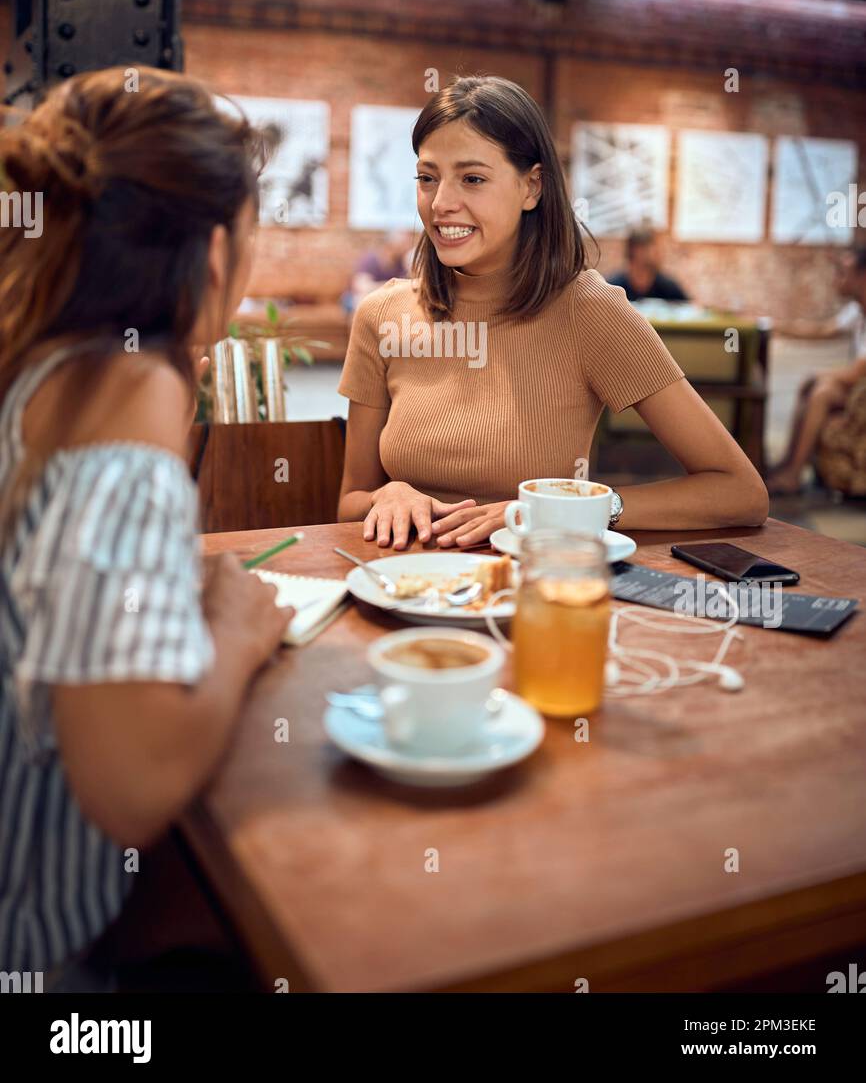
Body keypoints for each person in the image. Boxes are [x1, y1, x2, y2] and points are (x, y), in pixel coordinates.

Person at [0, 68, 289, 985]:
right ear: (212, 259)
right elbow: (132, 783)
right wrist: (238, 634)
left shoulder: (34, 356)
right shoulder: (136, 394)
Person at [336, 75, 768, 548]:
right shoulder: (382, 315)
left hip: (538, 591)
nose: (441, 204)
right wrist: (388, 495)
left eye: (473, 179)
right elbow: (351, 499)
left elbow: (739, 491)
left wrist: (565, 512)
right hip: (407, 587)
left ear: (532, 188)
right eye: (427, 177)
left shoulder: (590, 311)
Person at [765, 248, 866, 495]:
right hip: (860, 385)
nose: (837, 280)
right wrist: (776, 326)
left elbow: (857, 373)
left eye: (844, 273)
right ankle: (789, 464)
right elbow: (822, 331)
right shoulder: (857, 310)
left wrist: (817, 375)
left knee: (822, 392)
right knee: (814, 385)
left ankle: (793, 473)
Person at [341, 230, 416, 313]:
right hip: (354, 298)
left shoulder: (402, 263)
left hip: (383, 299)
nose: (407, 247)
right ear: (391, 245)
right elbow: (361, 287)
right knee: (360, 300)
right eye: (404, 244)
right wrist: (392, 287)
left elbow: (408, 287)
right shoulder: (370, 259)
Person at [608, 228, 689, 302]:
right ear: (634, 250)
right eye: (652, 247)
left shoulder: (668, 286)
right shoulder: (614, 286)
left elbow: (690, 309)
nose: (659, 252)